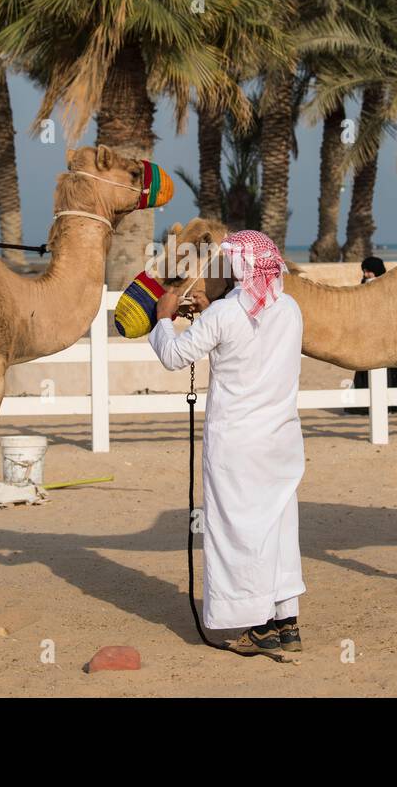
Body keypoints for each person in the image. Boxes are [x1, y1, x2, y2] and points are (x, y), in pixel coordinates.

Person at [150, 230, 306, 659]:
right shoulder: (290, 310)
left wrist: (164, 317)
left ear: (237, 267)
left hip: (237, 445)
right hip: (281, 443)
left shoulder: (225, 314)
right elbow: (245, 338)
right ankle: (284, 620)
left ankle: (257, 626)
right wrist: (208, 312)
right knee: (277, 528)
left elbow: (174, 356)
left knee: (238, 531)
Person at [347, 256, 397, 415]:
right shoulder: (362, 287)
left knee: (391, 374)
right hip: (368, 340)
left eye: (369, 271)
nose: (366, 275)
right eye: (365, 271)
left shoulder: (390, 288)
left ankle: (395, 405)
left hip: (389, 340)